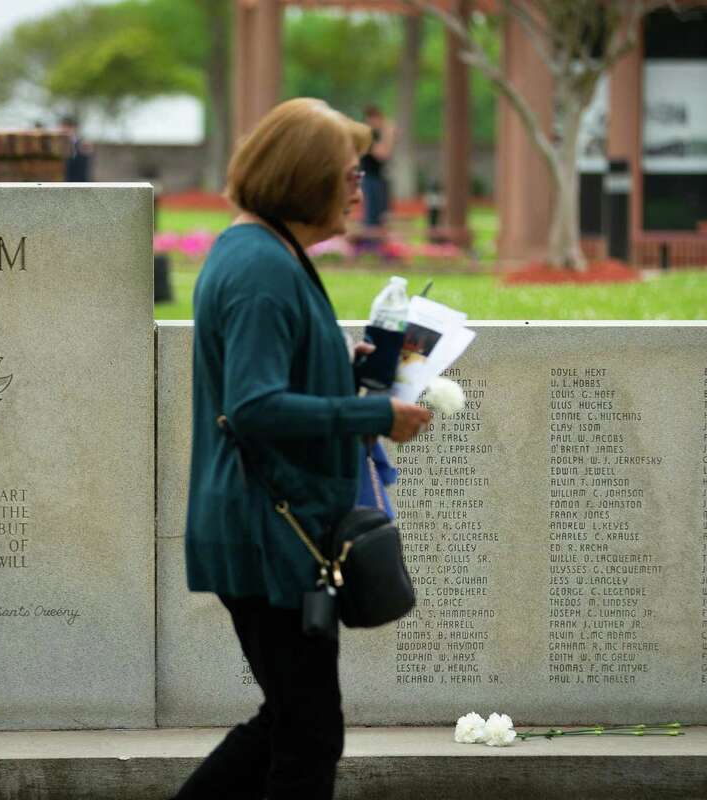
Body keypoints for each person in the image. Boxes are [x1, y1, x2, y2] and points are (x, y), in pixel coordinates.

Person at [175, 98, 432, 800]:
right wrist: (373, 412)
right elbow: (254, 406)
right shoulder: (262, 268)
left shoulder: (265, 251)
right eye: (348, 176)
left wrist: (335, 358)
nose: (361, 189)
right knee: (310, 733)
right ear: (304, 179)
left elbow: (264, 374)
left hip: (271, 527)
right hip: (269, 534)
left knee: (291, 721)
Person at [360, 105, 395, 229]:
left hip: (379, 178)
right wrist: (389, 134)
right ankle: (370, 245)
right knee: (372, 215)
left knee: (382, 215)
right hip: (370, 179)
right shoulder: (368, 135)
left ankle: (378, 244)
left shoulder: (377, 134)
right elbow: (383, 154)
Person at [59, 114, 93, 182]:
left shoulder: (82, 144)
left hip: (78, 183)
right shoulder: (57, 144)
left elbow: (85, 168)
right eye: (63, 126)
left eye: (68, 126)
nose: (65, 129)